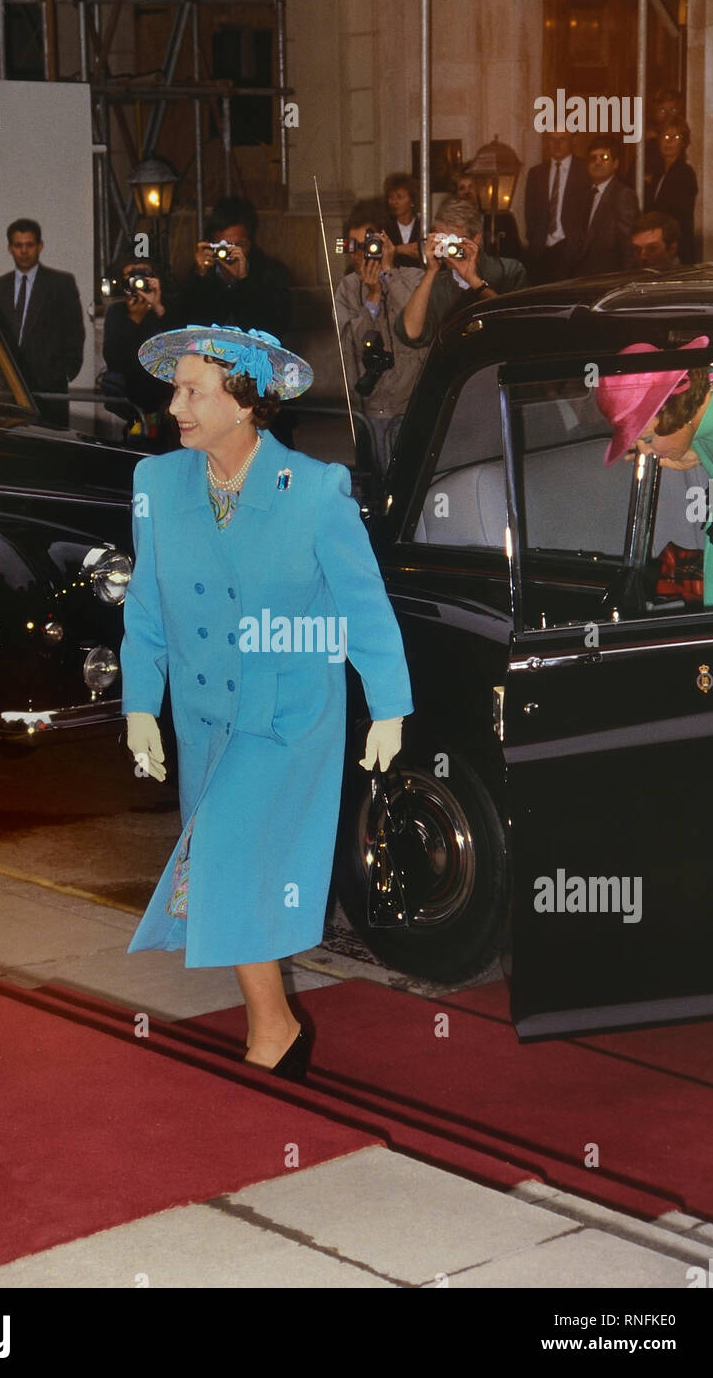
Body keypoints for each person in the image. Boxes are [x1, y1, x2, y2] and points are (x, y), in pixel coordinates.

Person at [121, 324, 413, 1079]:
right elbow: (146, 611)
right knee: (225, 870)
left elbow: (361, 603)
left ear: (245, 403)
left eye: (194, 391)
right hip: (203, 711)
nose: (175, 405)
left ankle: (272, 1031)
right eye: (176, 389)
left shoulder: (313, 492)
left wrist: (388, 706)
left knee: (219, 858)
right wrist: (139, 708)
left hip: (286, 714)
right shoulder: (157, 484)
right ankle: (275, 1023)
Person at [596, 337, 713, 606]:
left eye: (648, 438)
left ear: (671, 409)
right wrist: (701, 458)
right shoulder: (705, 418)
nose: (645, 452)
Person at [335, 202, 426, 472]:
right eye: (352, 246)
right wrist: (372, 299)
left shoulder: (413, 277)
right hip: (371, 405)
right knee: (374, 480)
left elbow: (415, 329)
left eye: (367, 245)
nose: (359, 254)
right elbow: (350, 344)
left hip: (409, 402)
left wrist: (388, 276)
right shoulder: (348, 288)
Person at [0, 219, 85, 428]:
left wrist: (66, 372)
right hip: (6, 387)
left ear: (40, 246)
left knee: (49, 445)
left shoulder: (60, 284)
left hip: (49, 386)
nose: (24, 251)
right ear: (10, 248)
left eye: (29, 245)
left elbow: (74, 331)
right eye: (18, 245)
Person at [394, 197, 528, 349]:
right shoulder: (438, 282)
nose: (448, 249)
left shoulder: (509, 271)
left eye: (453, 241)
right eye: (442, 240)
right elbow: (410, 333)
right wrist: (431, 272)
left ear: (476, 239)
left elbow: (516, 325)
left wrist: (473, 280)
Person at [177, 196, 292, 341]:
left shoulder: (272, 274)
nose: (231, 252)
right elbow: (186, 327)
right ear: (212, 243)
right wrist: (200, 276)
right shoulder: (202, 274)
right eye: (225, 246)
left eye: (240, 245)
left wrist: (244, 280)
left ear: (251, 243)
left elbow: (273, 328)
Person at [100, 254, 179, 448]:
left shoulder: (172, 306)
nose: (138, 281)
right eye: (132, 276)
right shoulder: (116, 312)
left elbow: (180, 351)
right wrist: (135, 320)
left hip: (169, 399)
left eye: (144, 275)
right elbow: (114, 358)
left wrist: (159, 309)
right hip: (132, 401)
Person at [524, 132, 590, 283]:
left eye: (562, 139)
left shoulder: (584, 170)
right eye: (552, 140)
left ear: (573, 141)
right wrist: (534, 239)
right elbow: (529, 212)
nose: (557, 144)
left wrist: (580, 243)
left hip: (571, 250)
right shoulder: (536, 173)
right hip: (541, 251)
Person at [570, 137, 639, 277]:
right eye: (593, 158)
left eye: (604, 157)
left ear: (615, 164)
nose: (597, 162)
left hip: (610, 279)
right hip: (582, 279)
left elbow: (629, 246)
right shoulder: (584, 195)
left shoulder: (623, 195)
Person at [646, 119, 697, 264]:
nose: (669, 142)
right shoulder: (657, 172)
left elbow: (678, 216)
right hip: (656, 247)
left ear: (683, 143)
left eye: (675, 138)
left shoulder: (685, 173)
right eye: (665, 137)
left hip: (673, 249)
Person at [454, 169, 525, 264]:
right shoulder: (453, 221)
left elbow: (515, 254)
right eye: (462, 188)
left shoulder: (502, 219)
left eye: (471, 187)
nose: (467, 192)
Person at [382, 171, 425, 269]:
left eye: (399, 197)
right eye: (391, 197)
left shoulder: (424, 227)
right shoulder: (384, 227)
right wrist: (397, 250)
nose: (394, 202)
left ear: (412, 200)